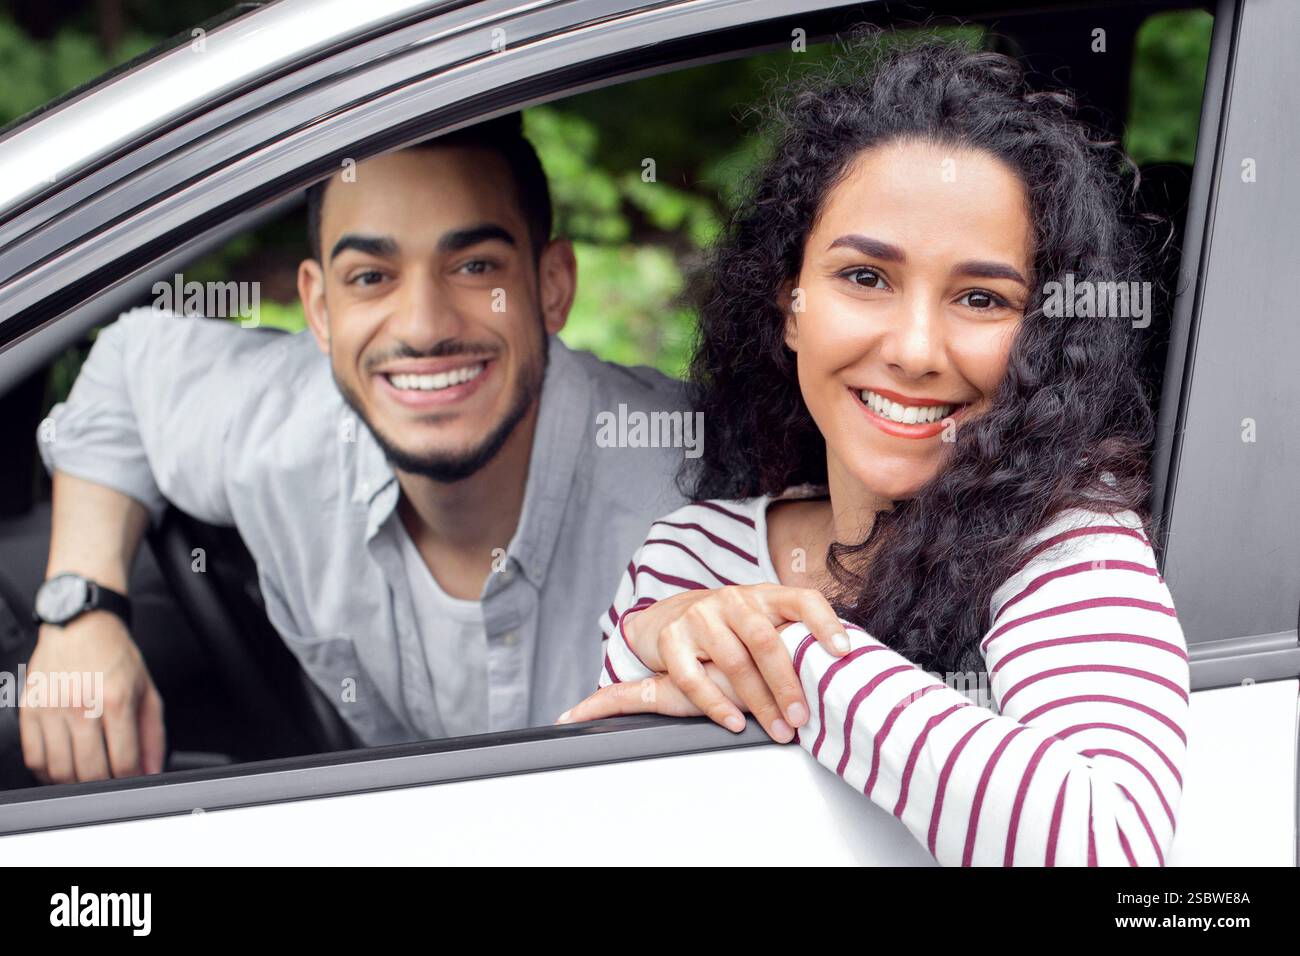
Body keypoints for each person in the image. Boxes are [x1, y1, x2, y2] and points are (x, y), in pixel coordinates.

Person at [562, 38, 1189, 866]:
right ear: (791, 305)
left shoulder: (1069, 546)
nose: (916, 349)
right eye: (866, 278)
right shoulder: (688, 557)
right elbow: (613, 825)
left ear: (1042, 336)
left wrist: (784, 647)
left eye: (979, 297)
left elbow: (1108, 843)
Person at [23, 114, 690, 784]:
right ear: (318, 308)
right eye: (371, 277)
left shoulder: (694, 482)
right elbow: (127, 370)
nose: (425, 328)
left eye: (474, 265)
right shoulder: (284, 431)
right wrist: (83, 608)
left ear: (551, 285)